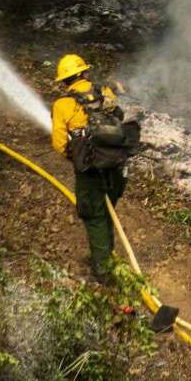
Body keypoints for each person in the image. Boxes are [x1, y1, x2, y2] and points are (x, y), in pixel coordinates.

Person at [50, 52, 130, 282]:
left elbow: (59, 144)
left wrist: (79, 158)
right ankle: (105, 256)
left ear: (65, 80)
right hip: (117, 166)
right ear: (84, 73)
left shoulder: (62, 104)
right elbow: (119, 119)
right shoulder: (105, 92)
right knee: (108, 212)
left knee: (94, 216)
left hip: (90, 172)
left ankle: (103, 271)